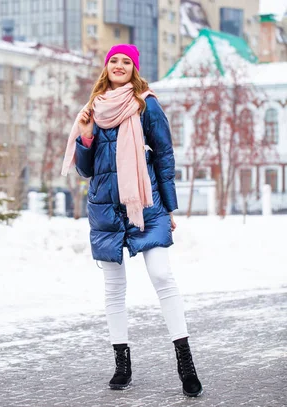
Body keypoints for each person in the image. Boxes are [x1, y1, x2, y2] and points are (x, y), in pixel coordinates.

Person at [61, 44, 203, 397]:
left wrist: (168, 208)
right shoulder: (92, 109)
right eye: (114, 60)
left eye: (127, 61)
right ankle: (122, 364)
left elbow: (165, 156)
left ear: (134, 68)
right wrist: (86, 136)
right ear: (106, 67)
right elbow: (85, 170)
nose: (120, 65)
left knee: (161, 275)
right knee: (114, 289)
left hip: (146, 201)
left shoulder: (145, 104)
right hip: (105, 206)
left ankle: (186, 363)